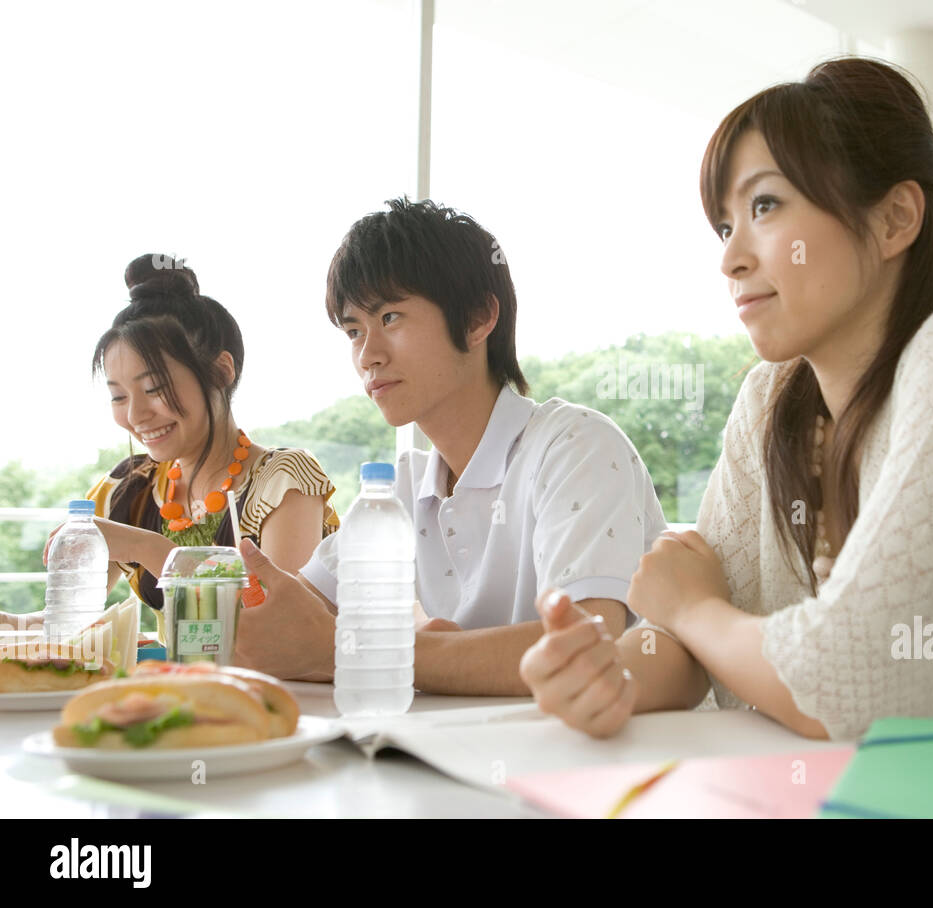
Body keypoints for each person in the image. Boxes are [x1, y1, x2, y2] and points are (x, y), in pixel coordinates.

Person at [519, 57, 933, 740]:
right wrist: (609, 673)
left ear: (896, 219)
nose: (731, 258)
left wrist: (691, 609)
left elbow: (862, 686)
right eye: (725, 226)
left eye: (765, 206)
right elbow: (691, 644)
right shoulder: (770, 403)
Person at [233, 199, 667, 694]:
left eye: (391, 317)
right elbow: (300, 614)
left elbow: (584, 643)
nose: (368, 355)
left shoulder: (574, 445)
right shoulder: (402, 487)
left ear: (479, 318)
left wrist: (355, 651)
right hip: (465, 752)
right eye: (354, 331)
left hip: (614, 756)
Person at [41, 255, 339, 616]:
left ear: (220, 371)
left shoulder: (282, 480)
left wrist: (149, 548)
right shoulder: (130, 488)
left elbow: (282, 627)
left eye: (154, 388)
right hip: (174, 675)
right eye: (118, 396)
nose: (135, 416)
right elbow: (70, 621)